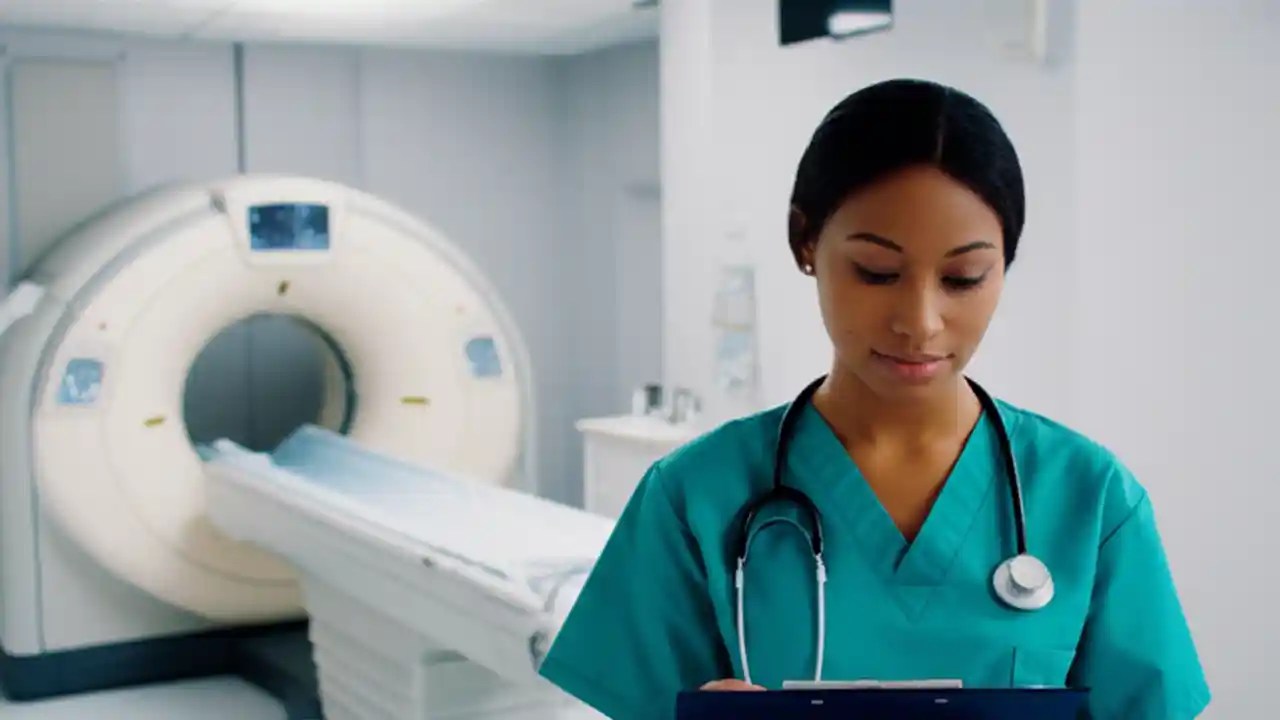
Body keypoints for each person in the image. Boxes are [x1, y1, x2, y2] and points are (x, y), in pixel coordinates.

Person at [537, 79, 1210, 720]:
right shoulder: (694, 497)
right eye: (877, 272)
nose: (920, 321)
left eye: (963, 277)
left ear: (1005, 264)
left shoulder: (1090, 501)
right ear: (806, 241)